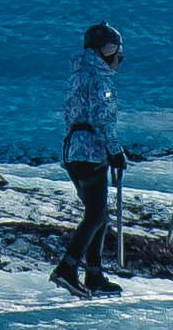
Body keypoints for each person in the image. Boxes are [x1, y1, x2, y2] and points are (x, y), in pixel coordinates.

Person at [55, 22, 130, 292]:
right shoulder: (99, 79)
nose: (118, 59)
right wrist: (115, 150)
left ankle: (94, 274)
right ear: (107, 50)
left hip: (73, 149)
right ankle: (68, 266)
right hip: (91, 151)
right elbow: (103, 119)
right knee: (97, 213)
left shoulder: (77, 75)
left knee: (98, 213)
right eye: (116, 53)